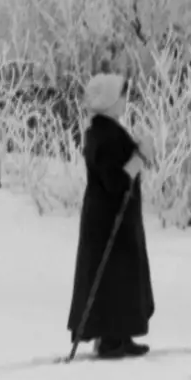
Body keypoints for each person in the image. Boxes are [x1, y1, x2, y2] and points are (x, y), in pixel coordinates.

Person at [67, 70, 154, 359]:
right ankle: (110, 338)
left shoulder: (106, 130)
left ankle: (120, 334)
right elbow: (116, 181)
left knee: (122, 277)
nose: (125, 102)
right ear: (108, 101)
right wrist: (139, 158)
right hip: (108, 222)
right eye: (122, 97)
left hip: (112, 220)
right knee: (113, 277)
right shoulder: (104, 135)